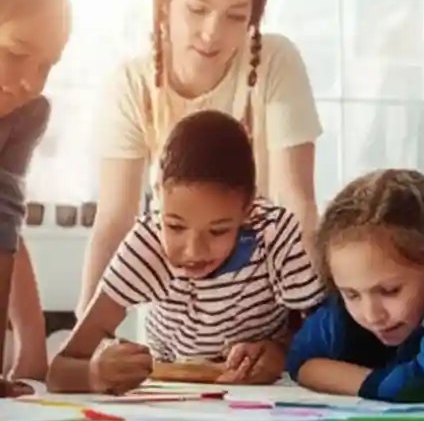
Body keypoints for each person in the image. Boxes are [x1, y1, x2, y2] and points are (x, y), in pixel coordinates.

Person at [78, 0, 322, 318]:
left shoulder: (275, 61)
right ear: (164, 4)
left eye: (235, 16)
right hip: (176, 310)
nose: (212, 32)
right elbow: (115, 221)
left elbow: (296, 200)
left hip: (264, 304)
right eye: (197, 9)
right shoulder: (132, 84)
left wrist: (312, 325)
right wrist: (87, 335)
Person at [49, 110, 327, 394]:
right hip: (173, 389)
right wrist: (94, 374)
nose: (193, 251)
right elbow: (59, 371)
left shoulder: (274, 234)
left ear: (248, 208)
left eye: (217, 231)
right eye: (175, 226)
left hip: (263, 396)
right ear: (159, 196)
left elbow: (326, 337)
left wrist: (280, 352)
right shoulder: (147, 245)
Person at [285, 169, 424, 402]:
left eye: (390, 291)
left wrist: (352, 380)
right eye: (351, 295)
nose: (372, 315)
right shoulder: (344, 309)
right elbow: (300, 359)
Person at [0, 0, 69, 396]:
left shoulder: (24, 116)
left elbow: (4, 224)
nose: (32, 82)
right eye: (15, 53)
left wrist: (31, 342)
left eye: (46, 65)